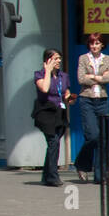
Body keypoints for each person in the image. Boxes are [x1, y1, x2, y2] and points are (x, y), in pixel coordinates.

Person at [33, 48, 75, 187]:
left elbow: (66, 92)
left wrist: (69, 98)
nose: (58, 61)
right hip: (45, 111)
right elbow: (45, 88)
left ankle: (46, 176)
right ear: (47, 60)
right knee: (53, 141)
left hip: (59, 112)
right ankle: (52, 176)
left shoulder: (64, 76)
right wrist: (48, 72)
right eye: (55, 58)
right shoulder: (39, 74)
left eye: (59, 58)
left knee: (54, 143)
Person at [76, 33, 109, 183]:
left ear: (102, 44)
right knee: (93, 136)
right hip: (87, 99)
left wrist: (92, 76)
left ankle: (100, 175)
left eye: (97, 43)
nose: (94, 46)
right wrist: (100, 77)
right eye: (92, 43)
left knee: (103, 139)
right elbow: (80, 78)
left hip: (102, 100)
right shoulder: (83, 59)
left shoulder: (108, 59)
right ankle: (81, 163)